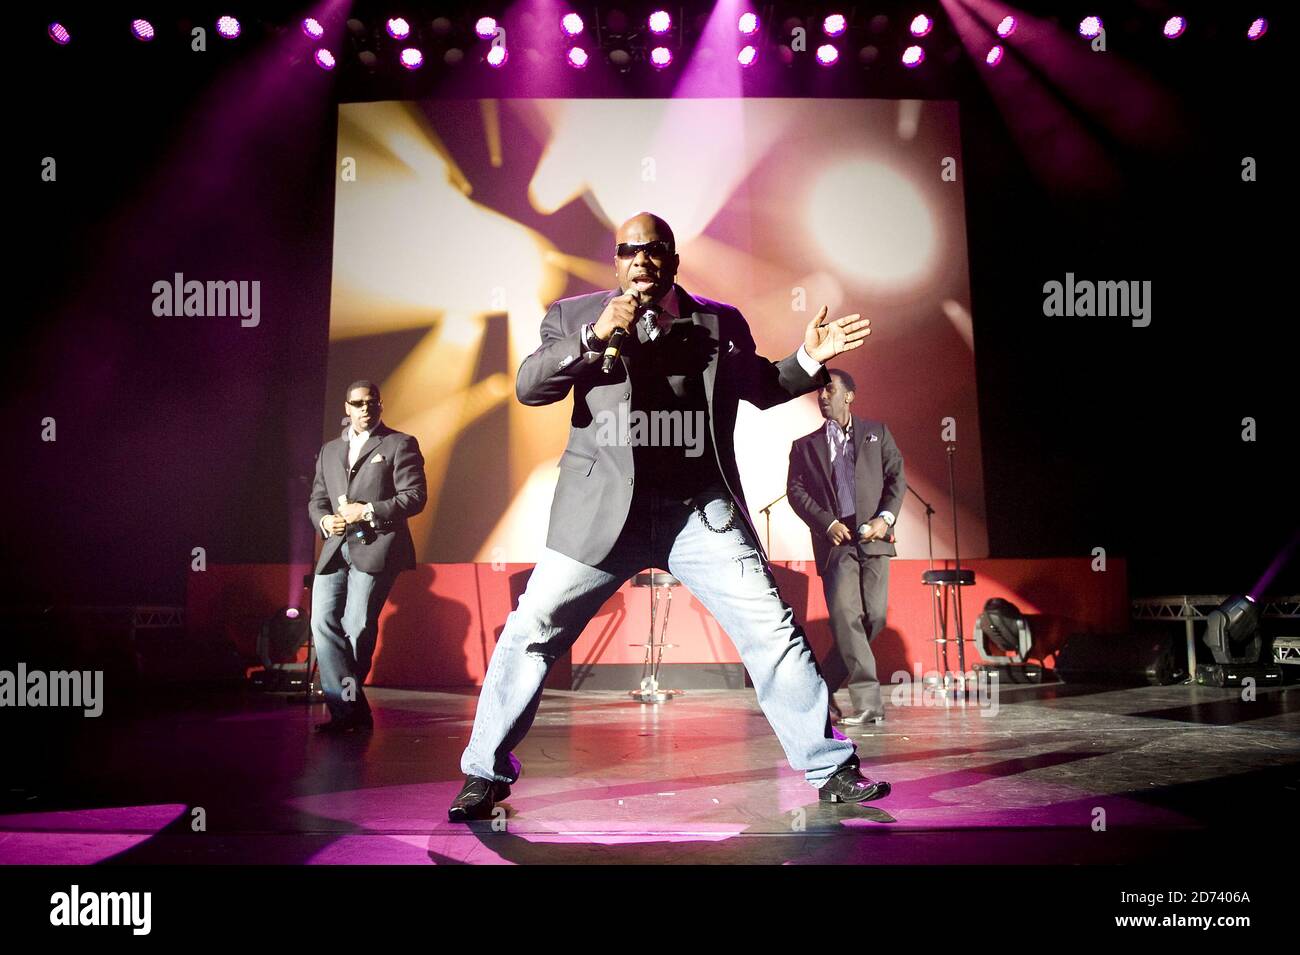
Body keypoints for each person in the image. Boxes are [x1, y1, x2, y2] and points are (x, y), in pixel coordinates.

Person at [448, 212, 891, 820]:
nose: (642, 260)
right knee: (532, 631)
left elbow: (759, 386)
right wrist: (594, 338)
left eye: (655, 250)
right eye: (630, 250)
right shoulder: (575, 316)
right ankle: (483, 773)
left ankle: (830, 765)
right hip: (601, 514)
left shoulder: (719, 320)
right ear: (617, 260)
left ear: (674, 260)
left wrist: (808, 357)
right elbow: (531, 386)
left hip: (697, 510)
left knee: (771, 629)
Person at [308, 380, 427, 733]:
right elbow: (317, 499)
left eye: (370, 403)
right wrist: (324, 520)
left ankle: (347, 710)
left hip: (377, 546)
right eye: (357, 403)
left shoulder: (398, 443)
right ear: (346, 407)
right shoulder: (329, 451)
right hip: (334, 548)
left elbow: (416, 496)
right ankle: (348, 709)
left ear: (380, 405)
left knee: (357, 628)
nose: (364, 409)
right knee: (321, 625)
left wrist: (370, 510)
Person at [787, 369, 906, 725]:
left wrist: (885, 518)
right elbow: (796, 492)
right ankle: (869, 702)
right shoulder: (805, 446)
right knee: (846, 618)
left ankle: (820, 689)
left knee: (874, 618)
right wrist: (828, 523)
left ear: (850, 395)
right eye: (819, 391)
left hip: (875, 538)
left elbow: (896, 477)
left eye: (830, 389)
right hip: (836, 543)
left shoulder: (877, 433)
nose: (823, 395)